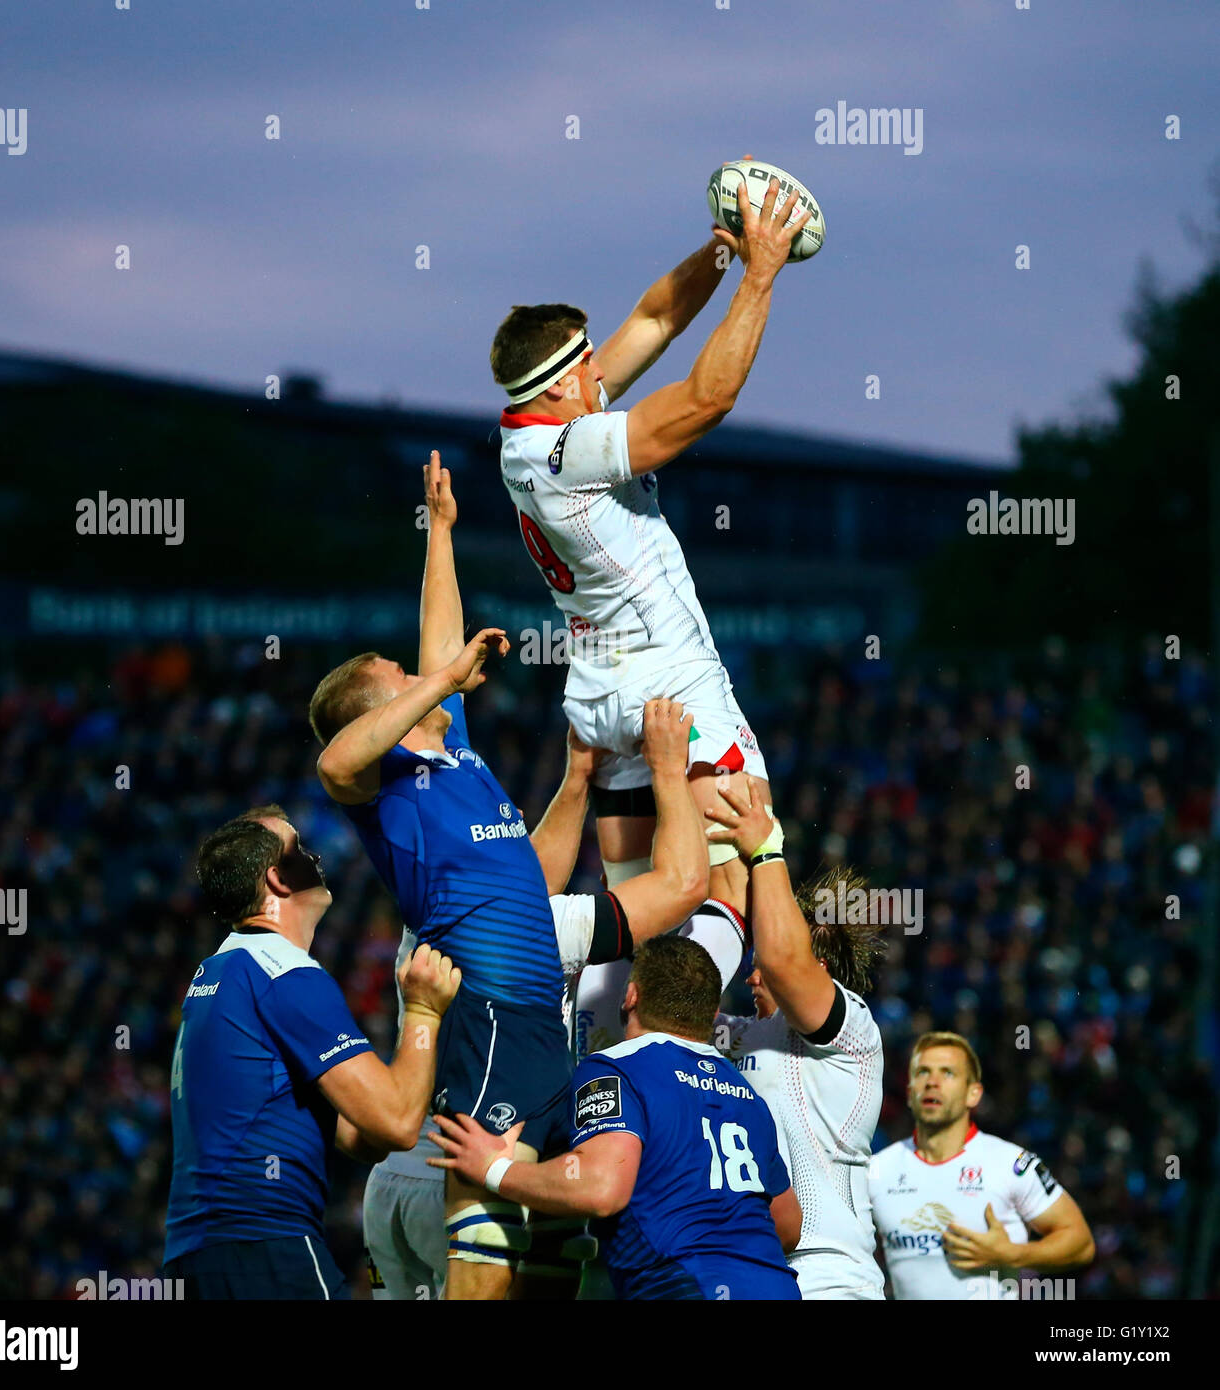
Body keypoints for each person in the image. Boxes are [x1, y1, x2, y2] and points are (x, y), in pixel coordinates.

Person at [489, 164, 810, 934]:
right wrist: (759, 279)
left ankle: (621, 1044)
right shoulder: (571, 452)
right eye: (587, 362)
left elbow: (655, 320)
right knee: (737, 895)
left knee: (648, 919)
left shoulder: (529, 430)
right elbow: (706, 400)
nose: (603, 367)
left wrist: (721, 251)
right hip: (668, 678)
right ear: (563, 387)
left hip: (605, 697)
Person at [308, 454, 562, 1299]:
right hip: (488, 1009)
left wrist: (441, 533)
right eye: (404, 684)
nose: (426, 680)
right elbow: (336, 756)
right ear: (384, 713)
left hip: (532, 1011)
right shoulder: (378, 785)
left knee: (534, 1203)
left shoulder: (448, 750)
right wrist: (441, 681)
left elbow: (440, 646)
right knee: (477, 1183)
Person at [365, 698, 712, 1300]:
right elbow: (683, 884)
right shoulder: (549, 928)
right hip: (476, 1168)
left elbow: (531, 870)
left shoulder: (438, 908)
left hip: (397, 1184)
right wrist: (666, 769)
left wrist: (577, 775)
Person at [163, 805, 459, 1299]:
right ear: (278, 880)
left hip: (198, 1257)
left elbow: (357, 1134)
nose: (315, 856)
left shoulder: (220, 972)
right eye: (299, 848)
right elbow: (396, 1123)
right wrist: (424, 1015)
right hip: (265, 1249)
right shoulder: (284, 972)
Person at [429, 936, 803, 1301]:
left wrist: (495, 1170)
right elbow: (786, 1226)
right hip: (776, 1286)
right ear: (710, 1013)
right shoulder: (745, 1093)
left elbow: (601, 1187)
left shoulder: (616, 1068)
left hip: (686, 1285)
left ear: (632, 996)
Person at [704, 779, 887, 1299]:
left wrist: (766, 849)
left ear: (819, 968)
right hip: (746, 1272)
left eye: (758, 966)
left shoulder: (853, 1033)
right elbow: (717, 934)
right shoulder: (735, 1036)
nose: (750, 977)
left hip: (830, 1277)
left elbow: (785, 960)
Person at [869, 1031, 1096, 1300]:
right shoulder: (877, 1170)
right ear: (909, 1093)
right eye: (922, 1073)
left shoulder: (1010, 1163)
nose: (932, 1082)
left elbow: (1081, 1243)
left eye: (947, 1073)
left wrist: (1012, 1254)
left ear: (973, 1094)